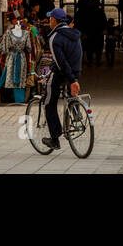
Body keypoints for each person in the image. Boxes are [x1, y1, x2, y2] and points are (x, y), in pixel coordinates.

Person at [41, 8, 82, 152]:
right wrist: (75, 77)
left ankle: (54, 138)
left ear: (54, 20)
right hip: (76, 71)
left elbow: (61, 62)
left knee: (48, 102)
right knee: (71, 94)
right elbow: (76, 57)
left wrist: (70, 79)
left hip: (63, 74)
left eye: (50, 19)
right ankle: (76, 112)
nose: (48, 21)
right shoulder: (75, 35)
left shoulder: (54, 37)